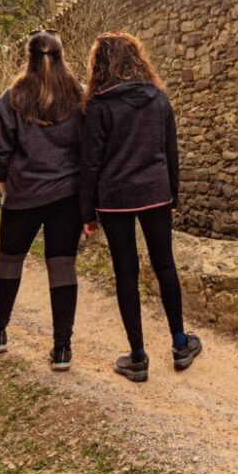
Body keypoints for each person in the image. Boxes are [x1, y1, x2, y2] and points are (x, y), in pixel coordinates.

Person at [79, 32, 201, 382]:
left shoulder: (98, 105)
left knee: (126, 274)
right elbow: (170, 151)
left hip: (114, 199)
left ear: (99, 65)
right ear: (137, 59)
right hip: (155, 194)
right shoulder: (158, 100)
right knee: (165, 266)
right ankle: (180, 343)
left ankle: (137, 356)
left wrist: (87, 213)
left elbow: (90, 164)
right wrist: (172, 196)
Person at [0, 30, 85, 371]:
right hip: (66, 197)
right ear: (62, 55)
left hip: (23, 194)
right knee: (63, 266)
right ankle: (63, 349)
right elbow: (91, 146)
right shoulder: (79, 97)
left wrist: (5, 181)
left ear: (28, 57)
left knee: (9, 262)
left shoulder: (12, 97)